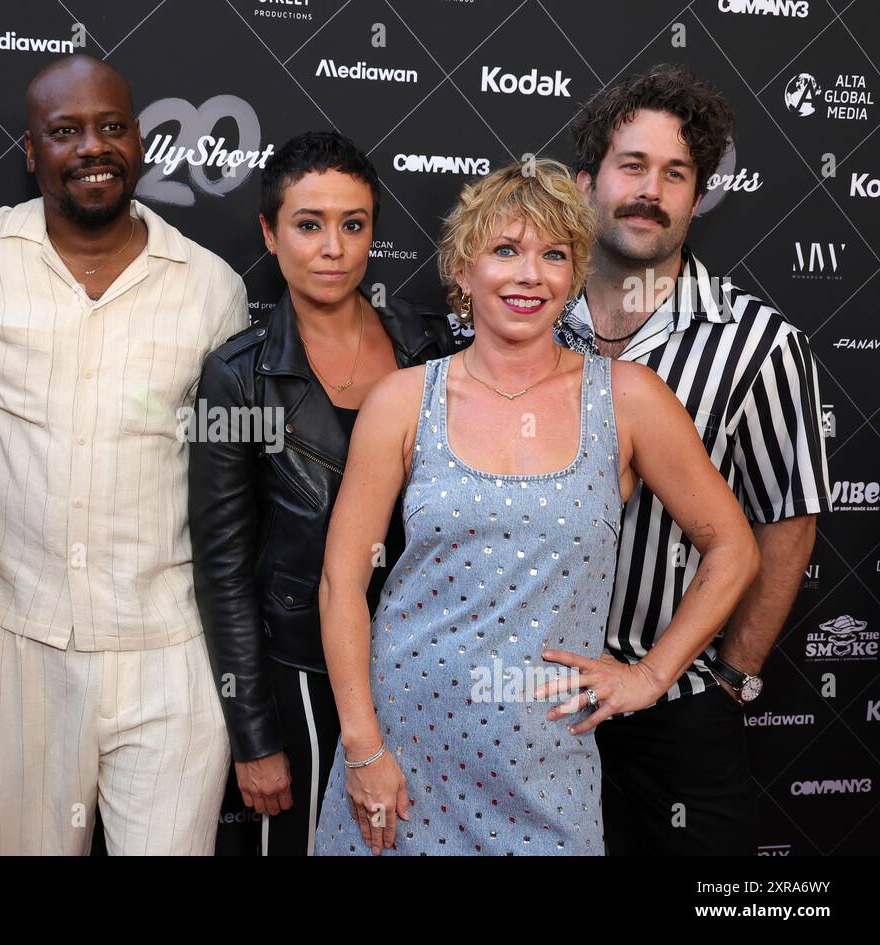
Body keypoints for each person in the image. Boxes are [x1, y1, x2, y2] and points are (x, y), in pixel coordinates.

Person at [312, 159, 760, 855]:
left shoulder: (629, 398)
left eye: (554, 254)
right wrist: (365, 746)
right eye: (506, 250)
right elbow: (344, 583)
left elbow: (734, 547)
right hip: (403, 765)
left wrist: (650, 673)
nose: (530, 275)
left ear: (576, 272)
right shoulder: (404, 400)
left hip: (547, 771)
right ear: (463, 270)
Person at [0, 54, 246, 855]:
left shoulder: (211, 287)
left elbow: (228, 472)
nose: (92, 146)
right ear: (32, 152)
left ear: (139, 141)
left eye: (111, 127)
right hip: (16, 641)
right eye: (65, 131)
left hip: (169, 647)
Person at [560, 64, 832, 856]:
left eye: (675, 173)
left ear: (697, 195)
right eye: (632, 166)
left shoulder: (759, 344)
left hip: (673, 712)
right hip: (537, 704)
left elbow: (787, 523)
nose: (651, 190)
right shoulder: (528, 323)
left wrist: (728, 680)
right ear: (586, 185)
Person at [189, 131, 466, 856]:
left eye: (353, 224)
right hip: (303, 677)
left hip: (430, 666)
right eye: (309, 225)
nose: (333, 247)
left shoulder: (431, 346)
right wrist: (254, 735)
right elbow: (223, 568)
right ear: (269, 233)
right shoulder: (237, 377)